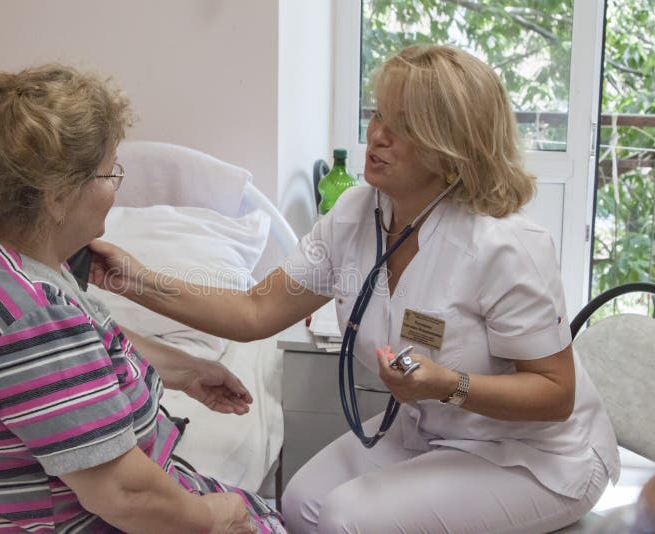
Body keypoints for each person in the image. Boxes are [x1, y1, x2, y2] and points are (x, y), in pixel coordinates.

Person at [87, 44, 620, 533]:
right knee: (301, 504)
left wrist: (448, 385)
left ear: (451, 148)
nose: (378, 134)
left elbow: (555, 394)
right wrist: (132, 277)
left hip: (536, 455)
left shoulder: (505, 245)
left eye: (403, 126)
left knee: (346, 518)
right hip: (431, 432)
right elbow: (255, 309)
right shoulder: (356, 214)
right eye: (380, 114)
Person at [0, 64, 285, 533]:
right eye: (109, 173)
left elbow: (80, 360)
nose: (114, 188)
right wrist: (221, 514)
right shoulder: (32, 319)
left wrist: (186, 370)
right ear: (57, 197)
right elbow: (128, 496)